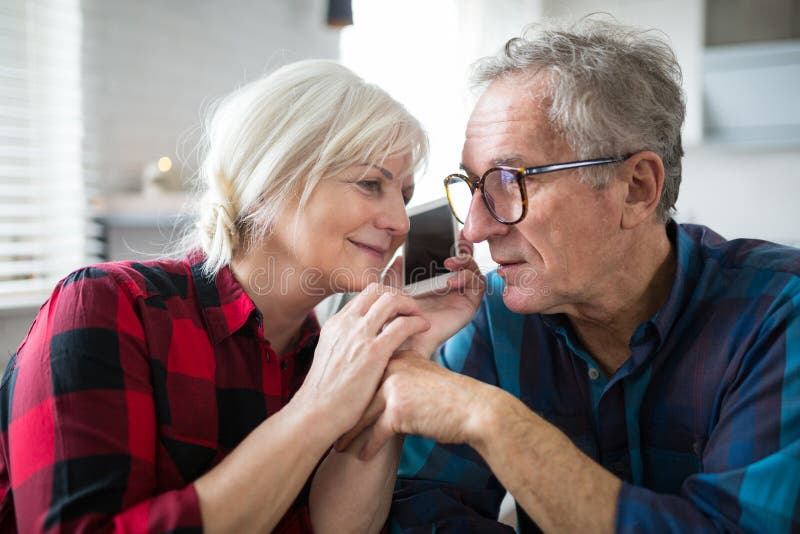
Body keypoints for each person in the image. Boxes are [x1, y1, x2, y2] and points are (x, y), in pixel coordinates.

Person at [335, 19, 800, 532]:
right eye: (472, 185)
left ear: (636, 189)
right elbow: (419, 501)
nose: (476, 227)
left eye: (509, 181)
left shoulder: (779, 313)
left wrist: (493, 421)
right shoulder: (497, 316)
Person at [0, 60, 484, 533]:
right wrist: (316, 408)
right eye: (369, 183)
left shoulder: (326, 352)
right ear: (271, 180)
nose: (399, 222)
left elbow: (335, 526)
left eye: (403, 193)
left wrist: (392, 355)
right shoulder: (107, 306)